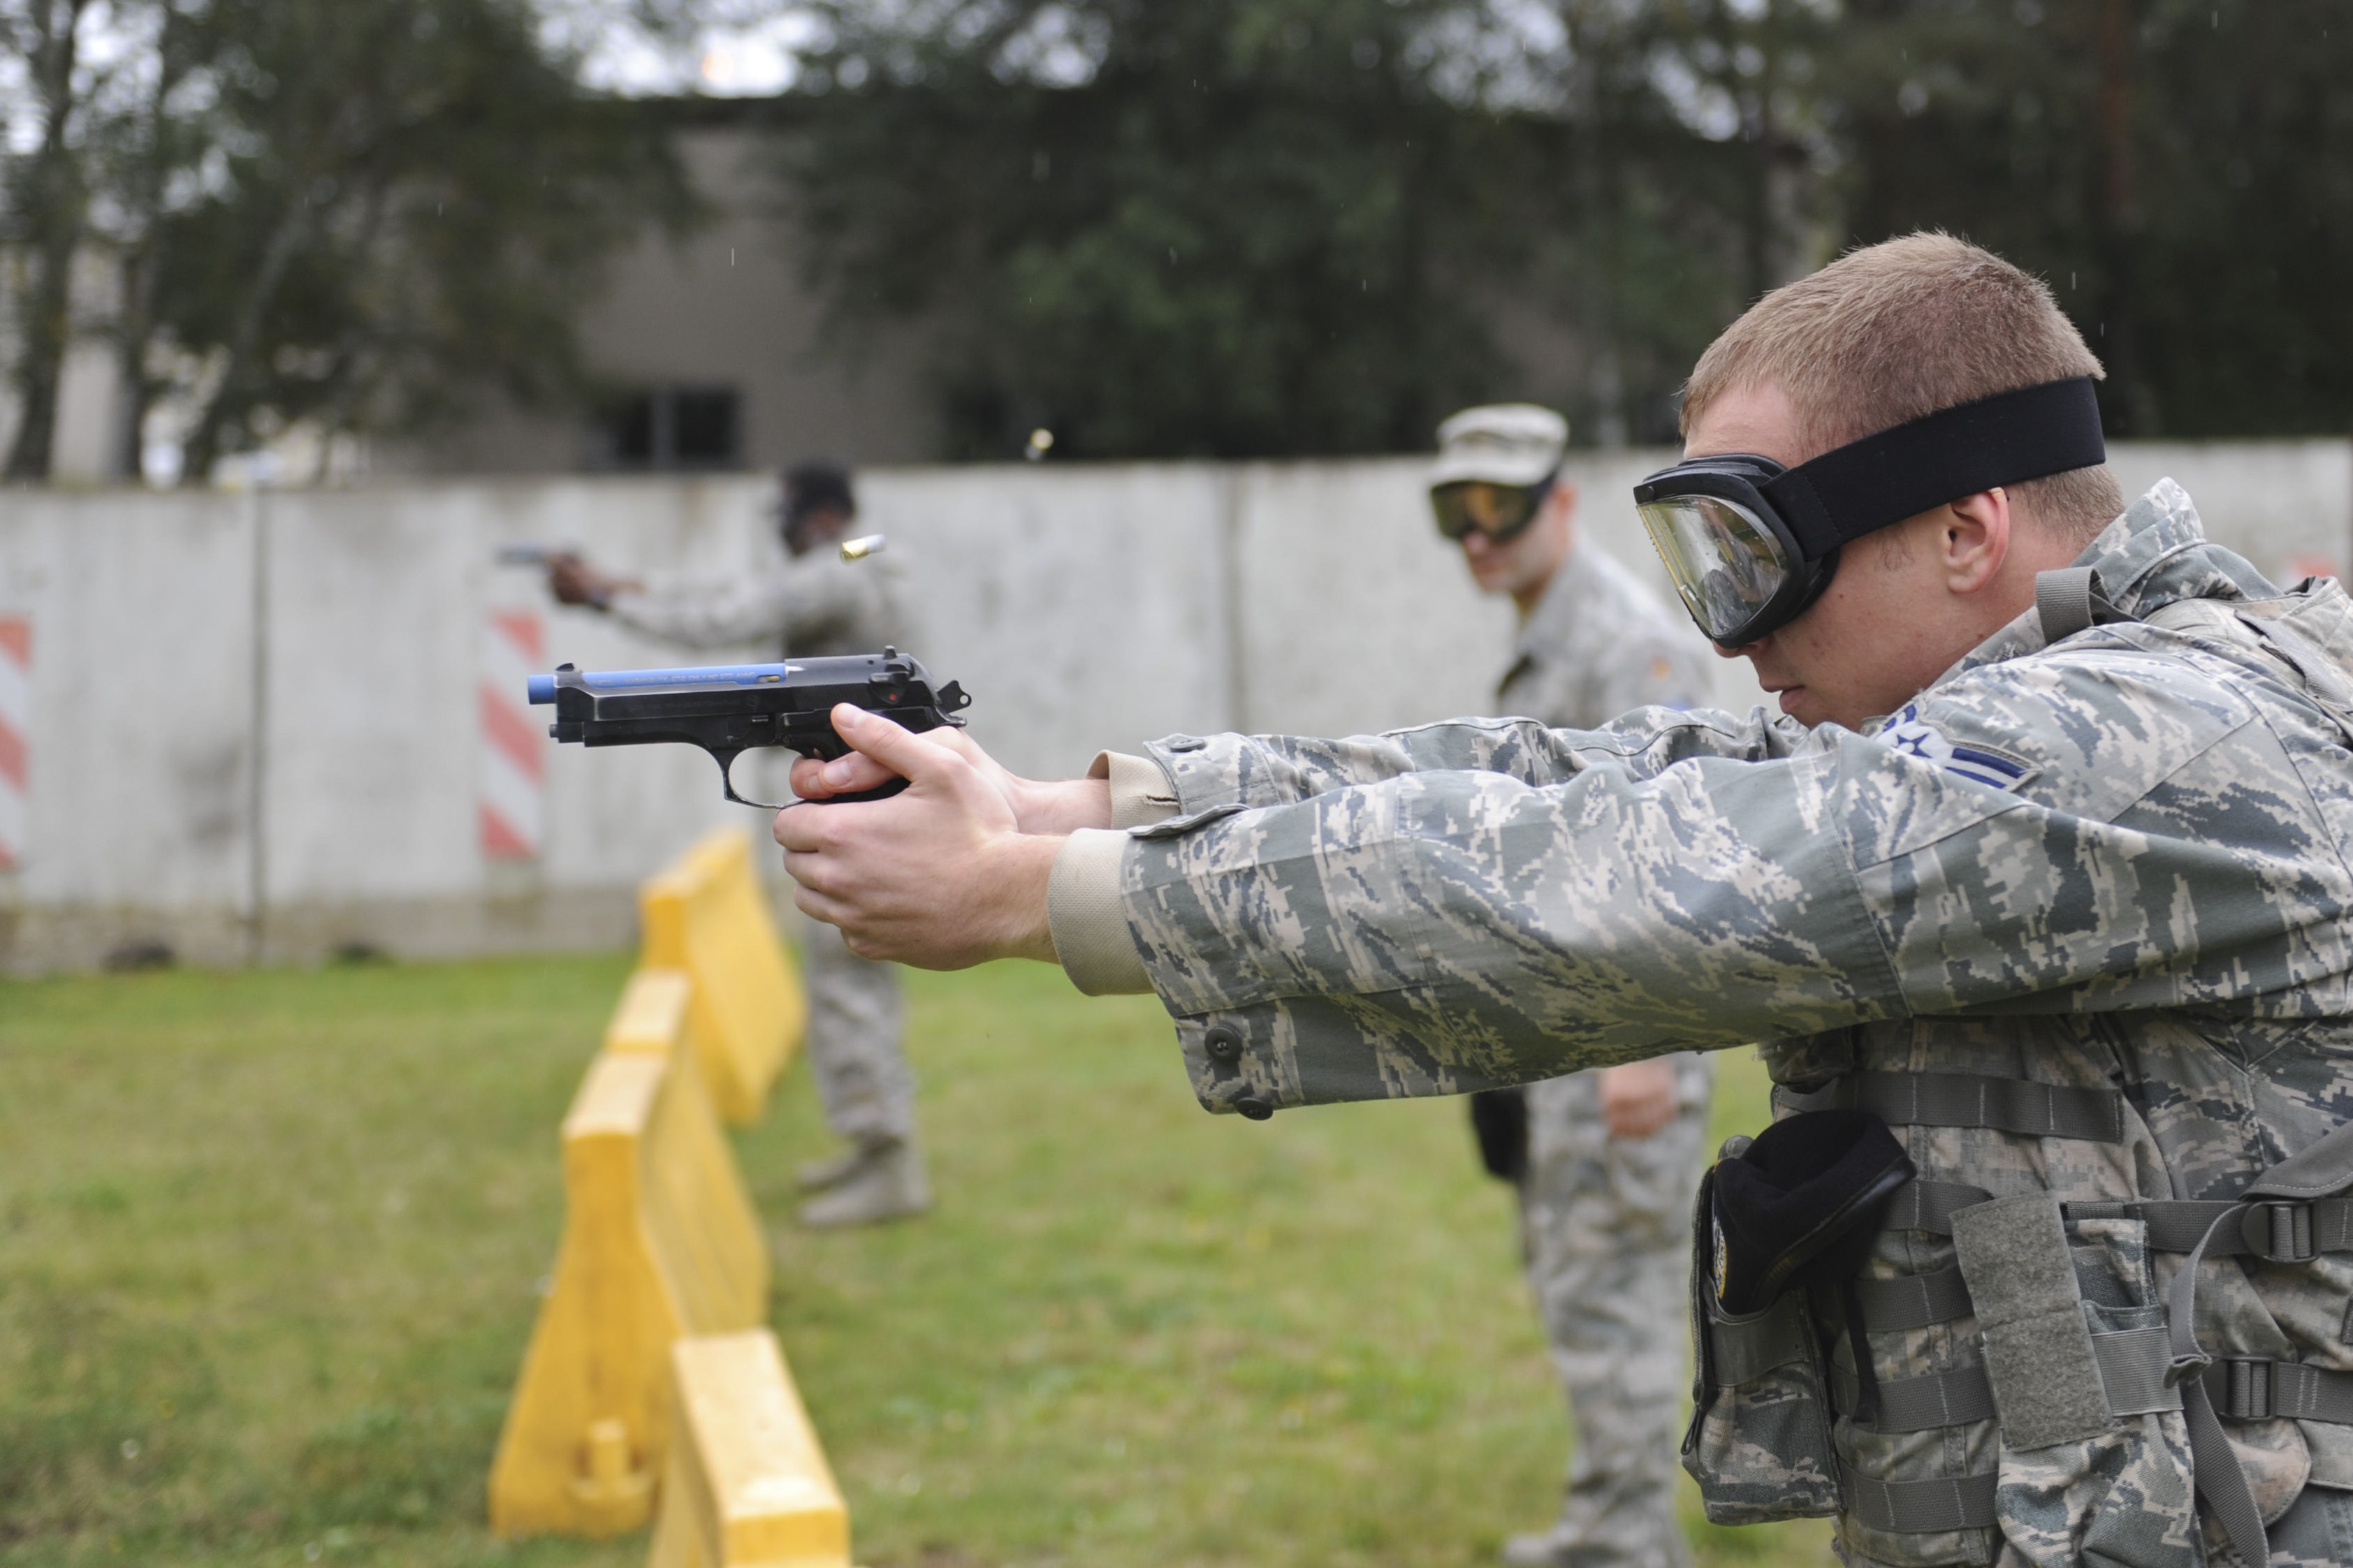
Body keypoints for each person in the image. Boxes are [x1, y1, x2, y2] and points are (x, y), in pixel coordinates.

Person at [772, 235, 2353, 1566]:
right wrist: (1089, 806)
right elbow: (1596, 775)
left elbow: (1640, 885)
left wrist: (1048, 895)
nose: (1735, 634)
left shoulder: (2158, 732)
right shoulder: (1983, 718)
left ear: (1964, 528)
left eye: (1764, 555)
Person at [1428, 402, 1713, 1568]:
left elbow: (1674, 848)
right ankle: (1610, 1524)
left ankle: (1627, 1541)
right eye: (1453, 512)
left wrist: (1641, 1047)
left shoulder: (1628, 643)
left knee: (1613, 1292)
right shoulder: (1550, 634)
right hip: (1559, 1038)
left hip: (1619, 1044)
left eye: (1500, 508)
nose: (1476, 536)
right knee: (1575, 1281)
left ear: (1561, 502)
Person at [547, 461, 930, 1229]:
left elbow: (729, 614)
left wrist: (602, 596)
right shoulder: (860, 559)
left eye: (785, 521)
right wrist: (622, 587)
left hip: (858, 798)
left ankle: (888, 1160)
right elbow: (724, 594)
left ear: (813, 516)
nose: (781, 537)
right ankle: (872, 1145)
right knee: (844, 972)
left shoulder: (844, 567)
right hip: (859, 789)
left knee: (845, 976)